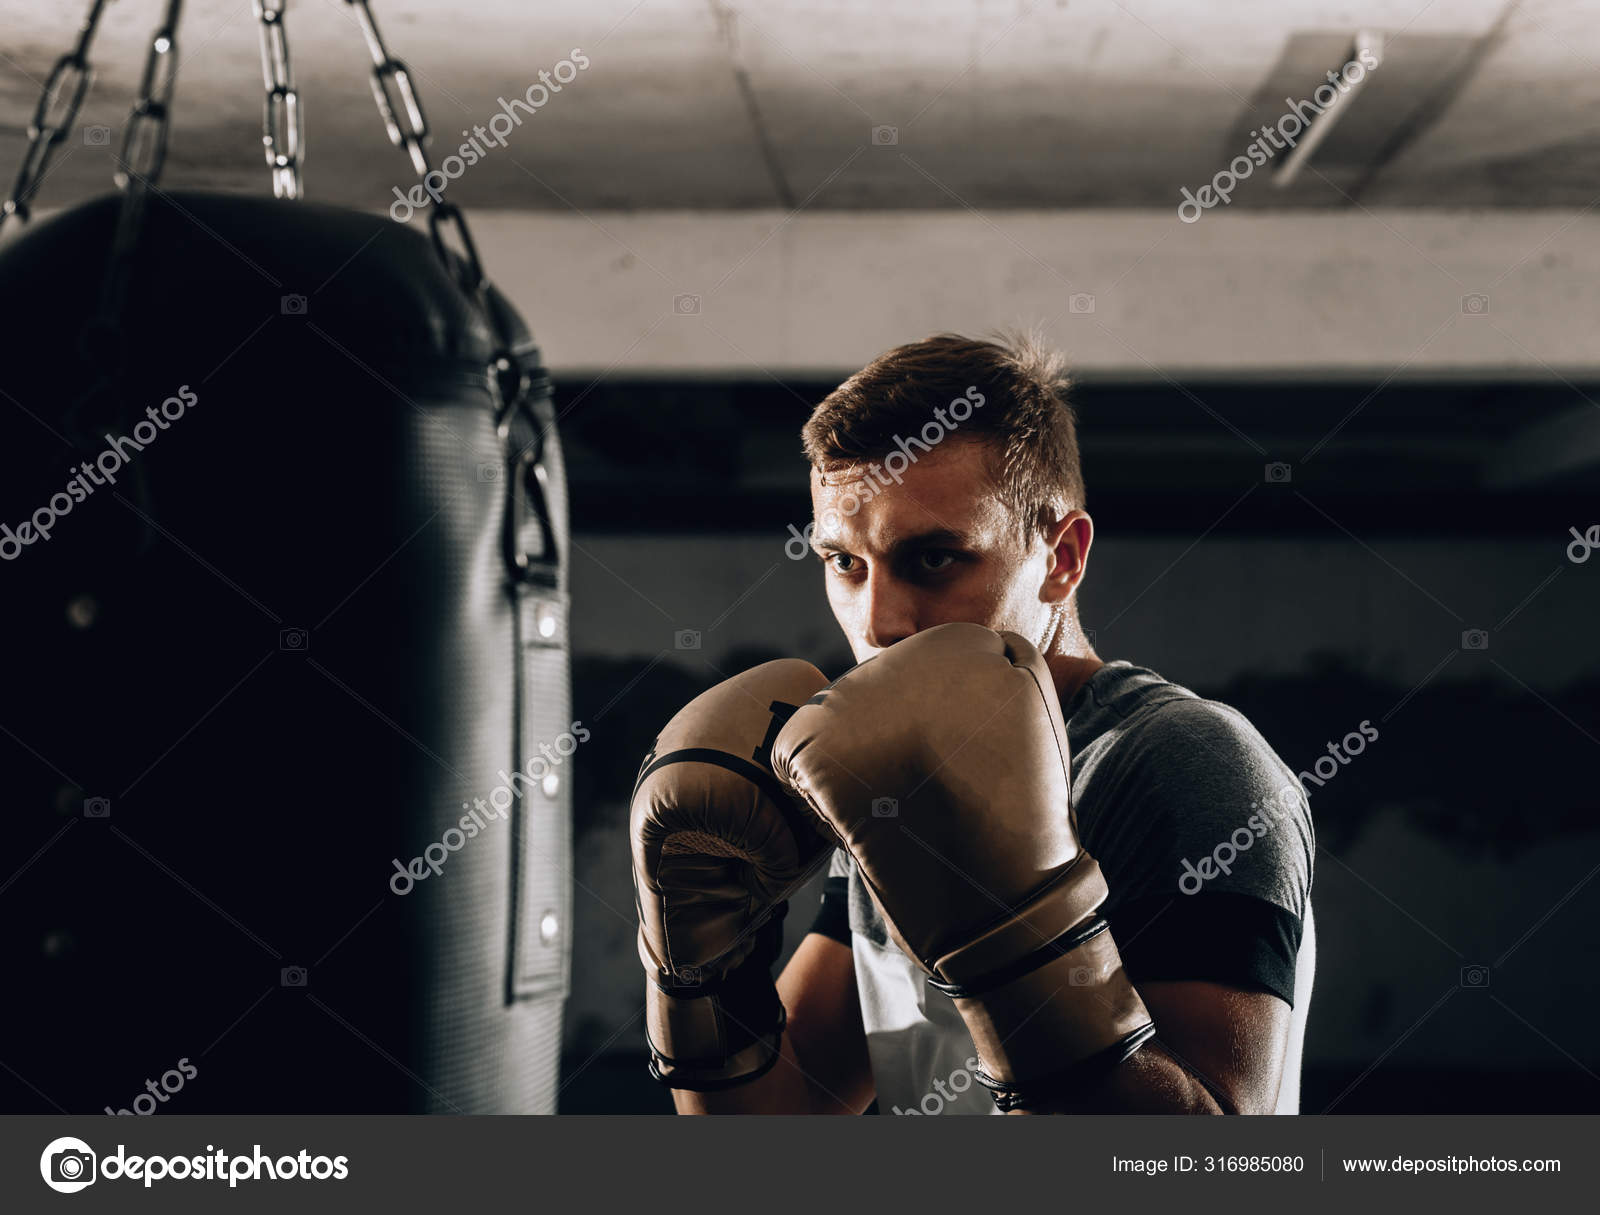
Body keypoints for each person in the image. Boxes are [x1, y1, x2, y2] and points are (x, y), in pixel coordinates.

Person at [631, 332, 1315, 1115]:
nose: (878, 622)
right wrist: (700, 971)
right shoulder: (887, 768)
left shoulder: (1182, 765)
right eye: (844, 562)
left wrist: (1017, 942)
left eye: (932, 559)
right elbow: (781, 1124)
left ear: (1060, 556)